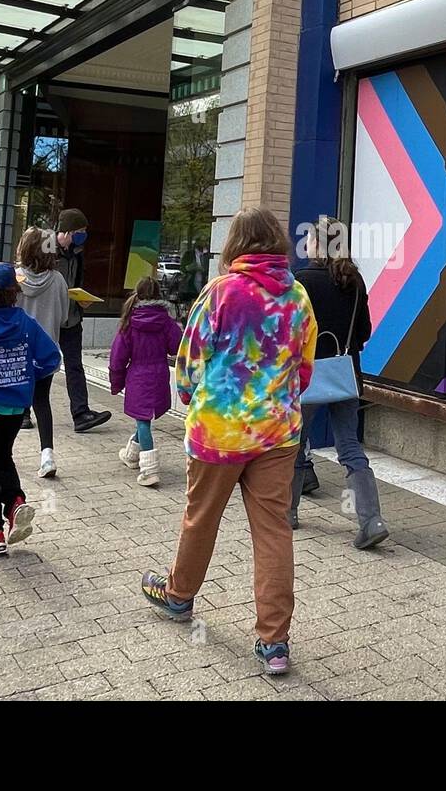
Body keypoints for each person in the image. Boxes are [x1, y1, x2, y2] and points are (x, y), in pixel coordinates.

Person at [141, 206, 317, 677]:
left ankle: (178, 596)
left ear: (236, 245)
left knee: (201, 519)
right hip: (277, 433)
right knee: (274, 531)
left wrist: (186, 394)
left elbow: (191, 358)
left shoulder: (220, 291)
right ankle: (274, 642)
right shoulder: (297, 296)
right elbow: (304, 367)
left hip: (219, 433)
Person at [289, 216, 388, 549]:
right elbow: (364, 333)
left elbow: (290, 331)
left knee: (294, 443)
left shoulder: (302, 279)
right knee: (349, 447)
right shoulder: (354, 280)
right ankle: (371, 520)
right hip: (346, 376)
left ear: (318, 244)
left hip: (308, 377)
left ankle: (288, 513)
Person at [0, 262, 61, 558]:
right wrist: (30, 375)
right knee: (2, 456)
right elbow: (51, 358)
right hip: (15, 410)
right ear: (13, 292)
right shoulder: (26, 322)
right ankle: (15, 500)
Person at [109, 276, 183, 487]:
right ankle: (132, 455)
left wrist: (116, 381)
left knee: (143, 420)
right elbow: (177, 347)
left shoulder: (129, 322)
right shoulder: (166, 321)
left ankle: (149, 470)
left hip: (138, 375)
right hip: (159, 373)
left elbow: (117, 358)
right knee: (145, 419)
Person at [16, 226, 69, 479]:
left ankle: (4, 454)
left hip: (18, 352)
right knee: (42, 401)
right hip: (46, 353)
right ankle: (47, 454)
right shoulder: (58, 280)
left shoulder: (15, 278)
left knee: (14, 402)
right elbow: (65, 316)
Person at [54, 208, 110, 433]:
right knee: (38, 366)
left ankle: (81, 413)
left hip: (72, 318)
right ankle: (24, 413)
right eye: (79, 231)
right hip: (49, 318)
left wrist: (81, 300)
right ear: (66, 231)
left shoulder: (77, 252)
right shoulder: (46, 251)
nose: (82, 235)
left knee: (74, 365)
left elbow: (77, 281)